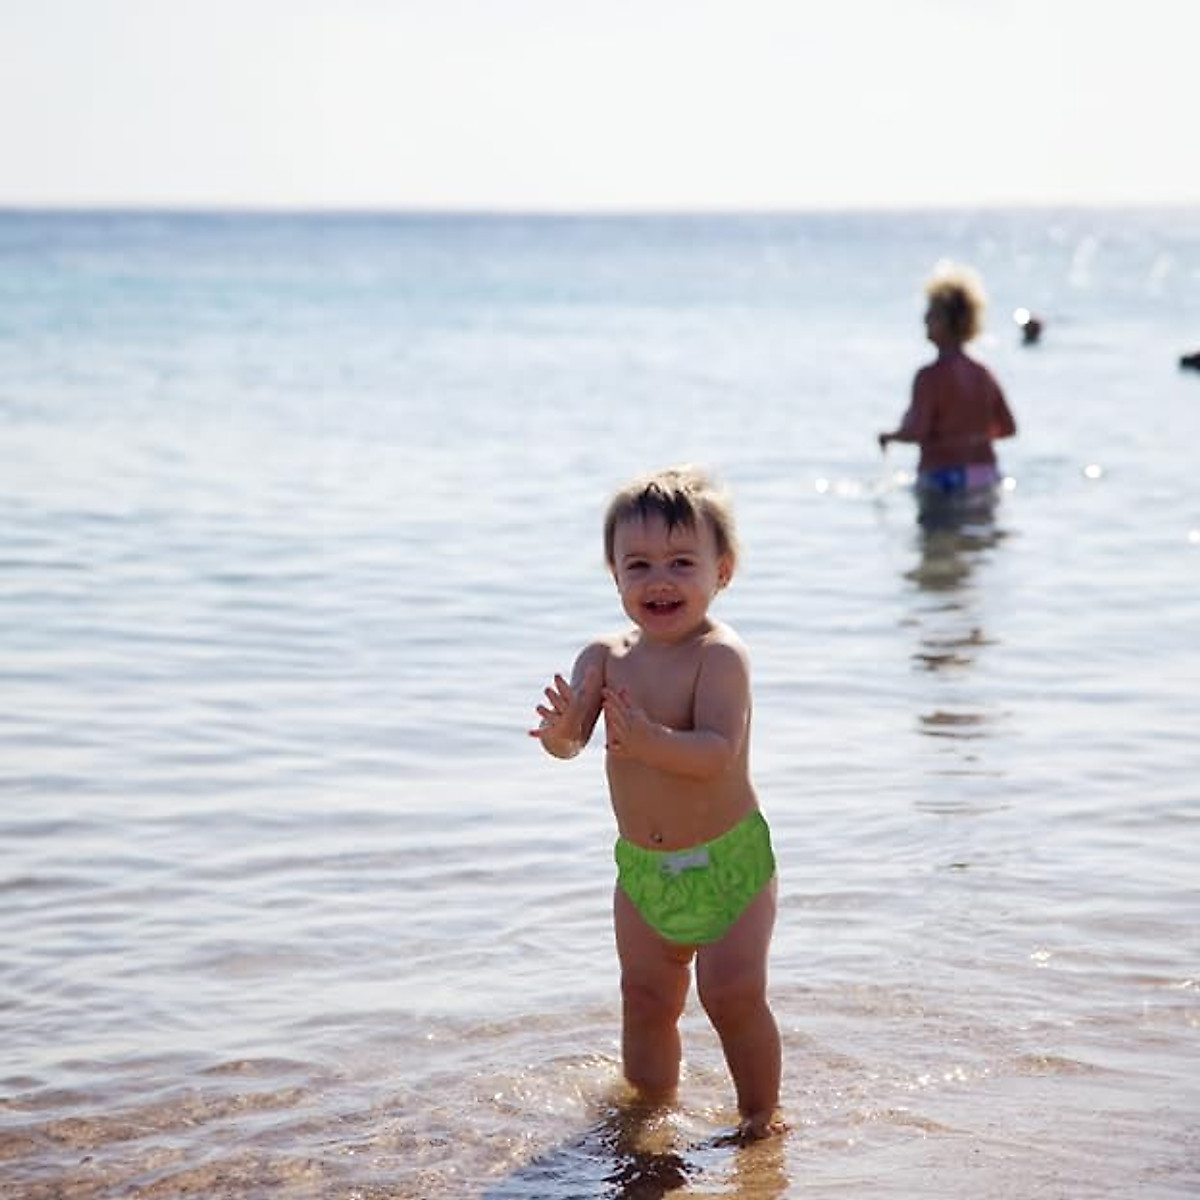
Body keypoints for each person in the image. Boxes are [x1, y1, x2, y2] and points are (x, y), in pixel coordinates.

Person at [529, 466, 784, 1141]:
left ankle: (760, 1115)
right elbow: (571, 745)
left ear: (721, 571)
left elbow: (717, 753)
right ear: (614, 574)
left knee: (731, 995)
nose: (659, 580)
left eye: (681, 562)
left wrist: (648, 741)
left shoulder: (719, 656)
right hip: (644, 872)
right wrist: (559, 733)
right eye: (637, 564)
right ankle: (650, 1115)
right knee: (645, 999)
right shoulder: (603, 658)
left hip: (728, 865)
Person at [879, 267, 1017, 513]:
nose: (924, 320)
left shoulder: (930, 376)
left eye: (932, 314)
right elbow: (1007, 428)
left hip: (943, 476)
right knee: (978, 536)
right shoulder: (983, 373)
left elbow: (918, 431)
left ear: (951, 322)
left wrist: (891, 436)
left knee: (937, 537)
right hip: (984, 474)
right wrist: (970, 437)